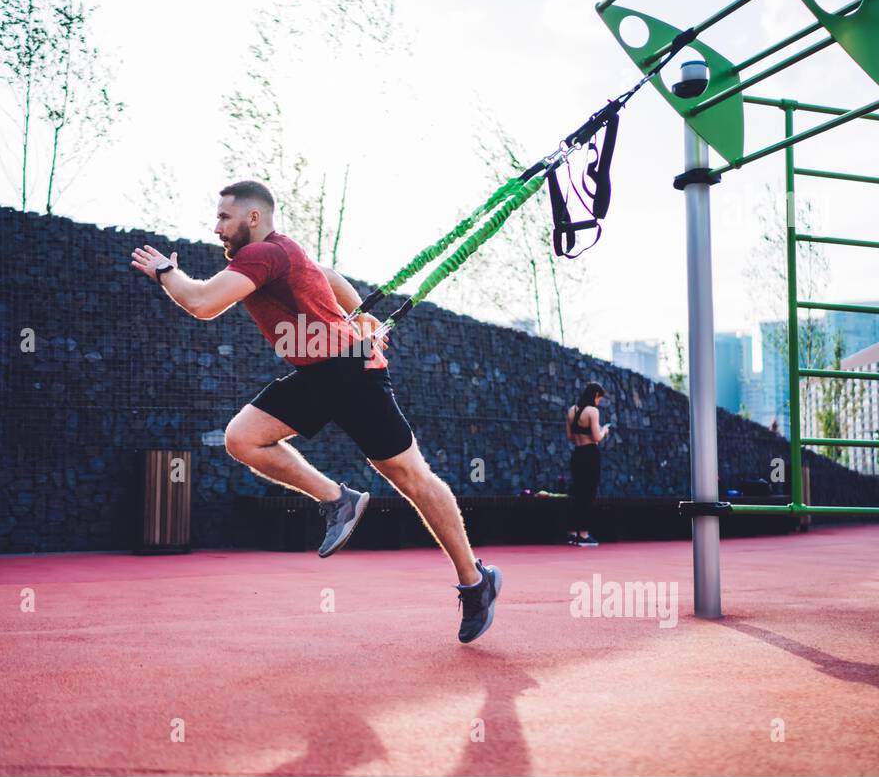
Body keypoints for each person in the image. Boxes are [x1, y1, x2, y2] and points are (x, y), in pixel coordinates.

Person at [129, 180, 502, 643]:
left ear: (253, 218)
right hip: (319, 372)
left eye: (224, 217)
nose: (216, 227)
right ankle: (338, 500)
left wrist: (165, 271)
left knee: (411, 477)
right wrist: (358, 313)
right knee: (243, 438)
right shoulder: (281, 252)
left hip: (349, 373)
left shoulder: (263, 255)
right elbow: (323, 272)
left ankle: (475, 581)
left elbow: (203, 303)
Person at [565, 382, 609, 546]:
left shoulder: (572, 410)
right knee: (588, 493)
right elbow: (597, 437)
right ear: (595, 395)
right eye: (599, 398)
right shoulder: (593, 411)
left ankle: (573, 533)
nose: (599, 402)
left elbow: (569, 435)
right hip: (590, 454)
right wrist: (604, 430)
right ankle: (583, 534)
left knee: (577, 492)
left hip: (577, 454)